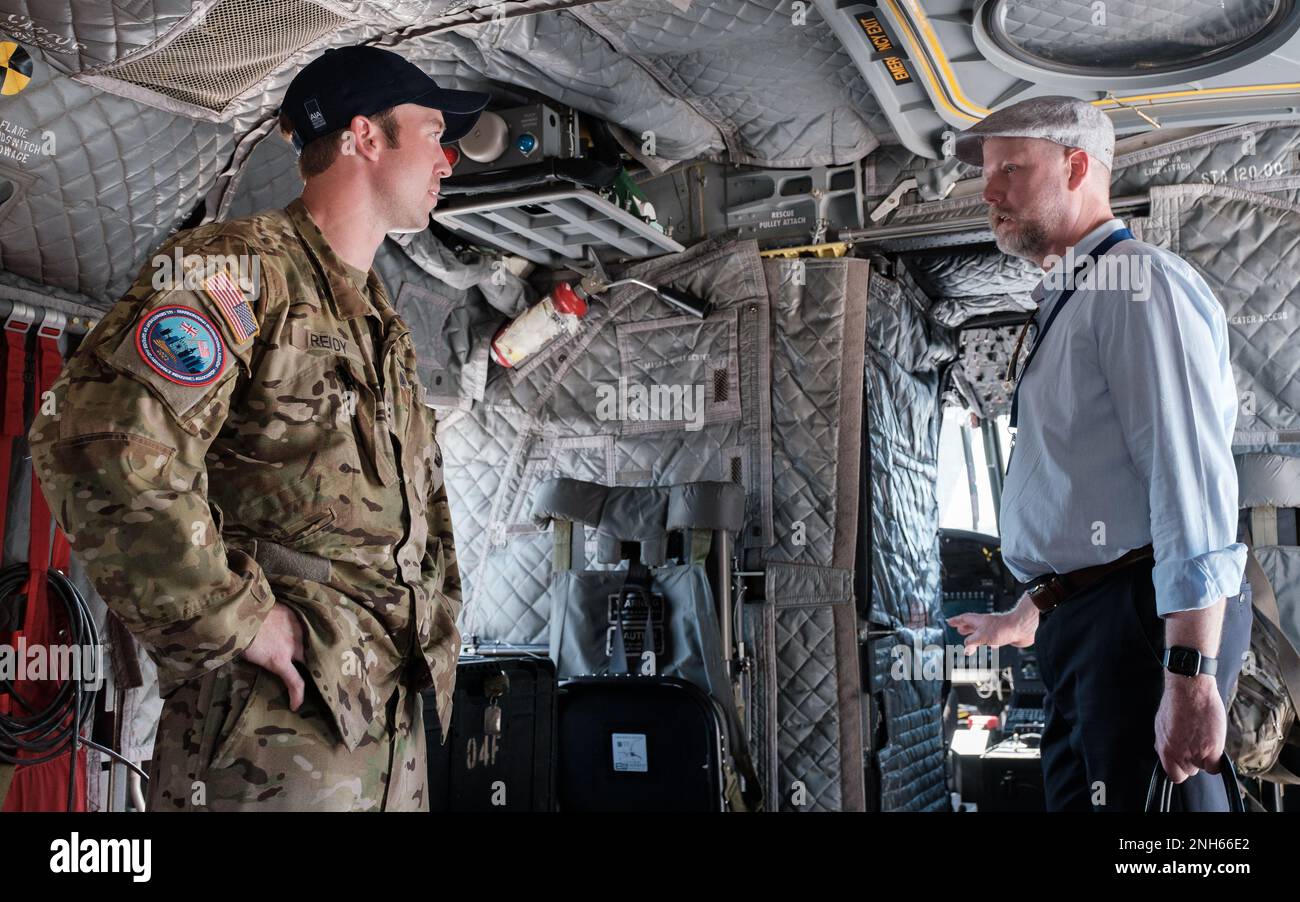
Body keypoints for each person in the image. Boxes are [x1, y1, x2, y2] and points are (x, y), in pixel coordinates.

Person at [26, 44, 490, 811]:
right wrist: (236, 617)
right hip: (269, 741)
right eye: (434, 133)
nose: (448, 161)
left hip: (381, 729)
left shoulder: (381, 322)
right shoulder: (237, 270)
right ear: (364, 137)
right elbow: (103, 442)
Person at [945, 96, 1252, 811]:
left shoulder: (1135, 284)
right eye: (987, 175)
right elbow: (1091, 500)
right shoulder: (1075, 296)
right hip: (1088, 630)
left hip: (1139, 631)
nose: (988, 192)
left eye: (1009, 170)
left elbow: (1187, 481)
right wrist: (1031, 612)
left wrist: (1190, 673)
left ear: (1076, 166)